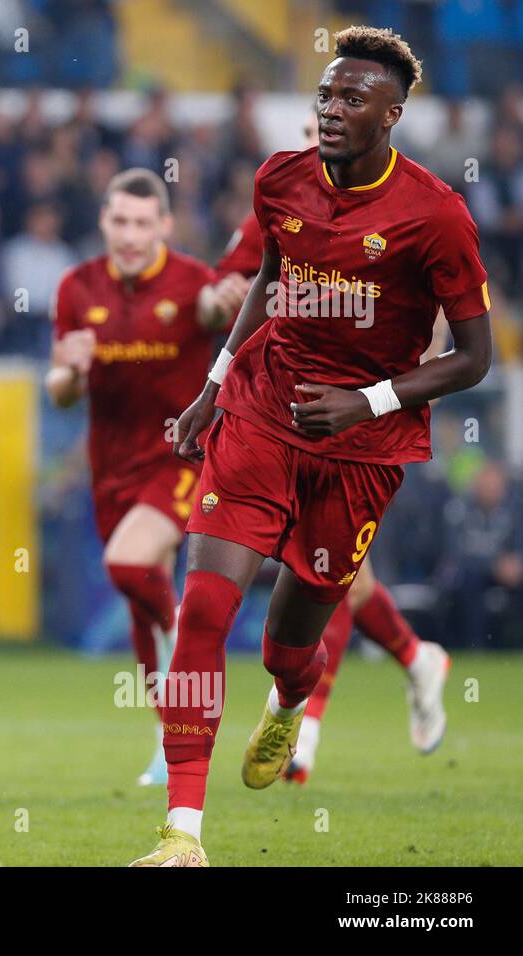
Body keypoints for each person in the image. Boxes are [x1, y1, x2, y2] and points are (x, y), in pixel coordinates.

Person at [132, 26, 492, 866]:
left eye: (351, 99)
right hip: (261, 414)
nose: (331, 110)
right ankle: (182, 833)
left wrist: (366, 400)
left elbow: (475, 358)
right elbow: (269, 276)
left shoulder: (436, 214)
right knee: (204, 610)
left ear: (393, 114)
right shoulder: (279, 180)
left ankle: (291, 699)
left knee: (288, 649)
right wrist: (213, 391)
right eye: (325, 96)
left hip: (362, 449)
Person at [205, 112, 452, 786]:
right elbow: (232, 287)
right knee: (331, 579)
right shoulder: (281, 199)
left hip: (356, 432)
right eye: (317, 127)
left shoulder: (411, 212)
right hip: (266, 410)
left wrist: (390, 387)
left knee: (328, 578)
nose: (323, 146)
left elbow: (431, 326)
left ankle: (303, 726)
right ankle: (413, 659)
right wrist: (213, 303)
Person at [46, 168, 227, 786]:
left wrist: (219, 304)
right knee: (138, 597)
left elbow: (222, 312)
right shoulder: (77, 287)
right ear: (103, 221)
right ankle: (168, 736)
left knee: (127, 566)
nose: (129, 234)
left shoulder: (193, 284)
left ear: (165, 227)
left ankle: (189, 640)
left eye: (143, 223)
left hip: (179, 458)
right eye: (120, 221)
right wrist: (70, 372)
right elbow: (61, 391)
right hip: (111, 470)